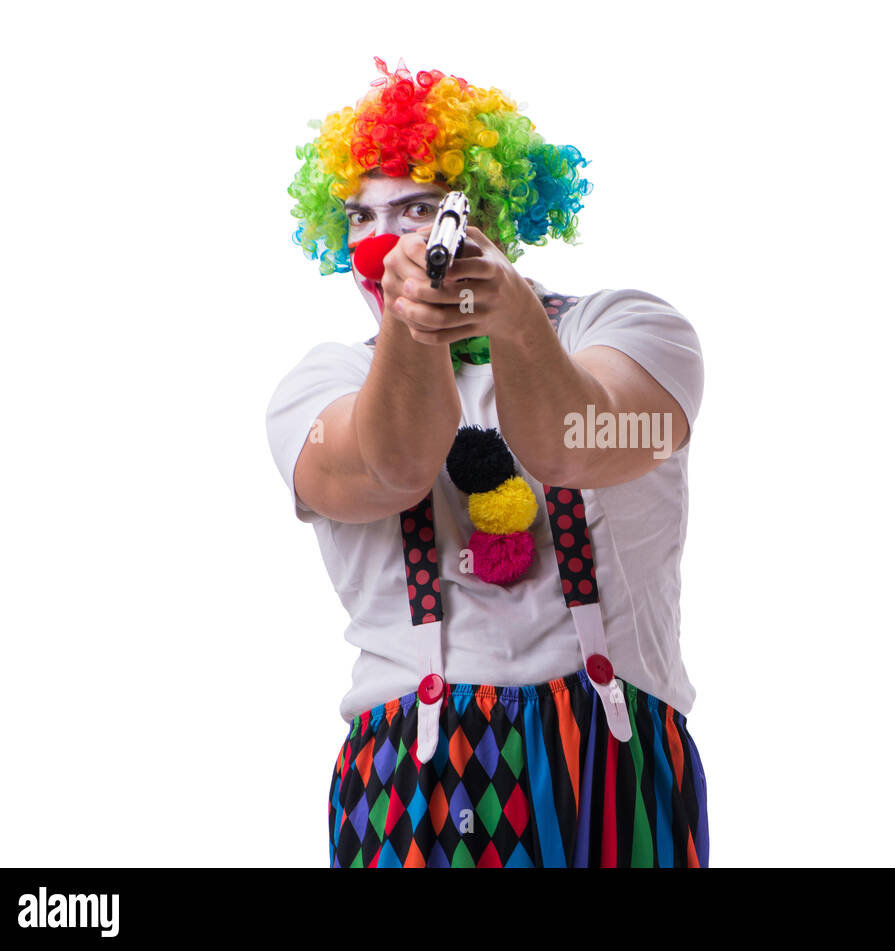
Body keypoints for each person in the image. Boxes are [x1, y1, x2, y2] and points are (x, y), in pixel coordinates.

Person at [266, 57, 708, 867]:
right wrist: (413, 321)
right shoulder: (323, 383)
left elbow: (574, 441)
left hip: (615, 759)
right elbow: (391, 467)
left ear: (487, 214)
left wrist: (506, 313)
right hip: (407, 774)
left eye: (416, 208)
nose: (378, 244)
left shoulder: (629, 328)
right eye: (358, 218)